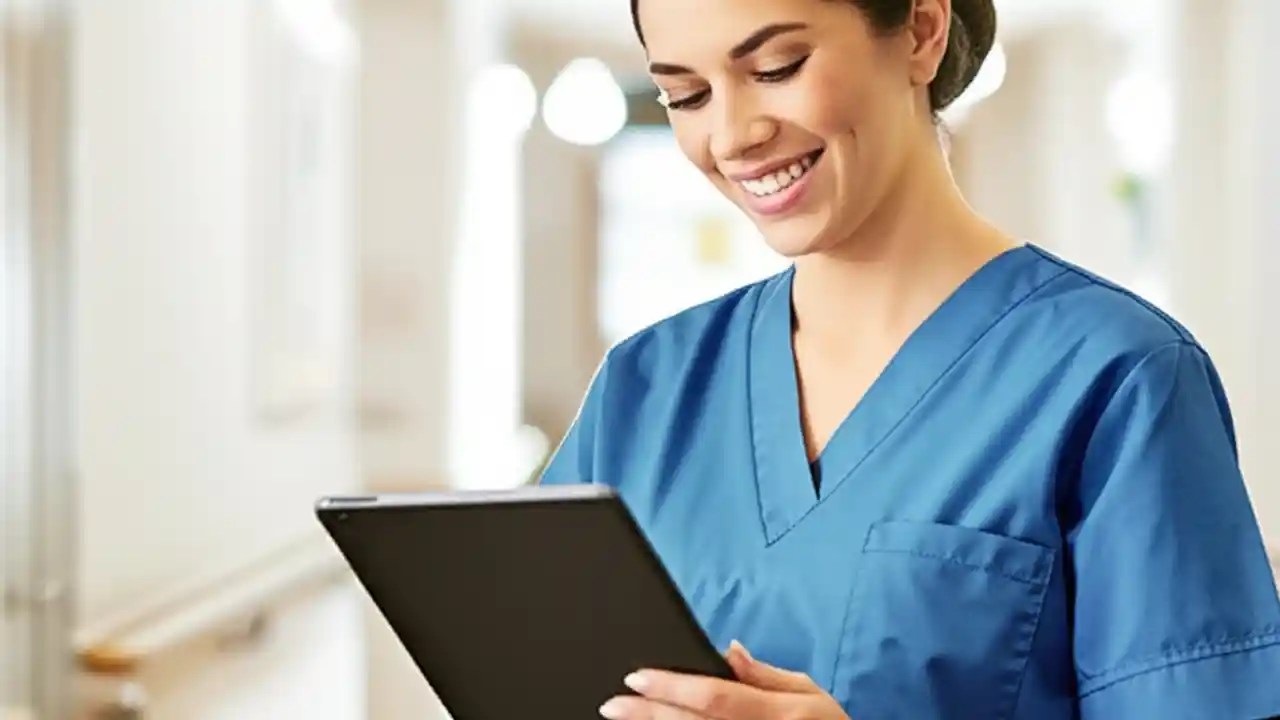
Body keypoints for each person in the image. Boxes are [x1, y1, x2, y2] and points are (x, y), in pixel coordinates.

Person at [540, 0, 1280, 717]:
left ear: (923, 31)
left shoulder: (1115, 374)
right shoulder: (646, 386)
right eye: (686, 94)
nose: (732, 135)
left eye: (777, 67)